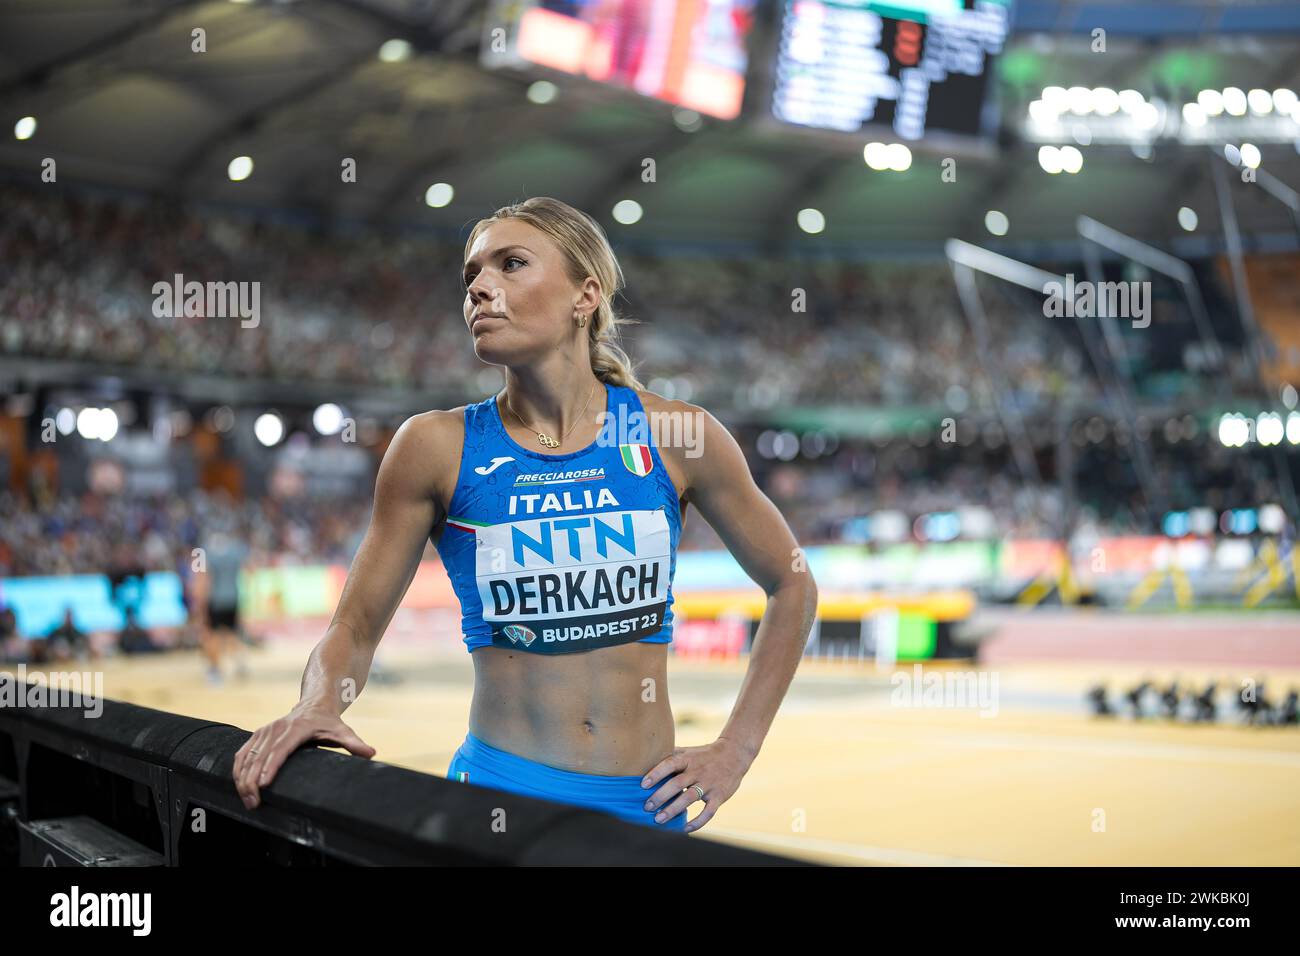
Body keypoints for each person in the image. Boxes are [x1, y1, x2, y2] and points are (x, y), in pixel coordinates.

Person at [233, 197, 817, 833]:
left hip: (649, 806)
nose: (481, 288)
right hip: (498, 795)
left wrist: (736, 748)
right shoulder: (434, 446)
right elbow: (356, 626)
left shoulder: (677, 433)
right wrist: (318, 701)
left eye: (511, 264)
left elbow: (791, 583)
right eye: (472, 275)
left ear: (584, 296)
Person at [200, 526, 250, 684]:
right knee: (233, 633)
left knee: (213, 635)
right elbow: (248, 569)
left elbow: (202, 577)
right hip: (233, 598)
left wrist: (200, 603)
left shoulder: (206, 553)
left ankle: (215, 671)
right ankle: (240, 664)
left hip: (215, 599)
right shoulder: (236, 552)